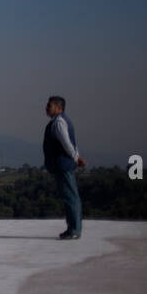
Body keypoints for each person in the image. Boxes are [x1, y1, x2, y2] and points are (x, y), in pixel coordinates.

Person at [43, 96, 86, 239]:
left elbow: (67, 143)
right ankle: (74, 228)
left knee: (70, 196)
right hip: (64, 164)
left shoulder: (59, 123)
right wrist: (76, 156)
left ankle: (74, 230)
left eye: (49, 105)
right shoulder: (61, 121)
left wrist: (75, 158)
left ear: (59, 108)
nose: (46, 108)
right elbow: (73, 143)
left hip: (63, 164)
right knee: (71, 195)